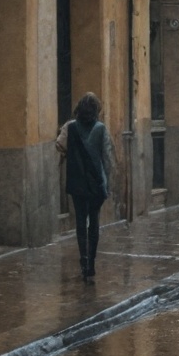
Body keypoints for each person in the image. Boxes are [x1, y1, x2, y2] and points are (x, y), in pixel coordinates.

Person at [56, 93, 117, 279]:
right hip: (96, 182)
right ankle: (92, 262)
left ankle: (83, 258)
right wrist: (107, 182)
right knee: (94, 221)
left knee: (81, 222)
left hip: (77, 182)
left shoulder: (70, 127)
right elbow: (108, 158)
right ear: (96, 110)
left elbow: (59, 145)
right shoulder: (101, 129)